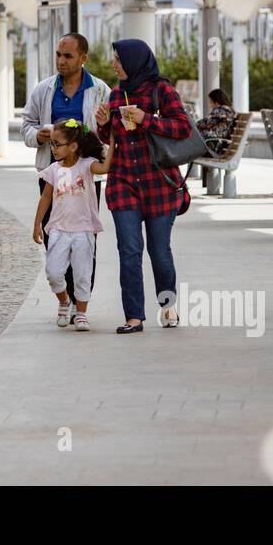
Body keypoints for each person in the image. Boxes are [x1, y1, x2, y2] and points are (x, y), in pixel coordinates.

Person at [94, 38, 193, 334]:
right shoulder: (114, 95)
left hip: (158, 185)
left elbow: (183, 127)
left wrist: (147, 119)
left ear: (135, 62)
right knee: (129, 249)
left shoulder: (161, 90)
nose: (114, 64)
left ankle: (167, 304)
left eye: (118, 59)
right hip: (123, 182)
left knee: (159, 250)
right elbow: (110, 138)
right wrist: (102, 124)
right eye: (114, 59)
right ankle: (133, 317)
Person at [22, 33, 111, 309]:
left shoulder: (100, 91)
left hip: (86, 177)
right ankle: (65, 294)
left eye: (68, 56)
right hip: (53, 175)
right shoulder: (44, 89)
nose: (61, 61)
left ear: (83, 58)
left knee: (85, 242)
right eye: (58, 55)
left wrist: (102, 128)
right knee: (55, 239)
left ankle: (78, 302)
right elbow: (26, 125)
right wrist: (39, 136)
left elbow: (109, 134)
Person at [32, 120, 110, 332]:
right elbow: (45, 198)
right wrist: (37, 223)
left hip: (84, 230)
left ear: (73, 146)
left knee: (82, 273)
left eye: (57, 144)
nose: (53, 148)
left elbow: (106, 167)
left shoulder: (87, 166)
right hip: (58, 229)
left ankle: (81, 313)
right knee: (53, 272)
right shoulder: (53, 170)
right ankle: (65, 301)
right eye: (52, 144)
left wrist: (112, 142)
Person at [198, 88, 237, 156]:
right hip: (217, 143)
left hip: (215, 145)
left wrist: (192, 125)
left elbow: (206, 123)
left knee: (191, 135)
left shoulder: (222, 110)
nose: (210, 105)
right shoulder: (226, 110)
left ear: (216, 101)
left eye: (210, 101)